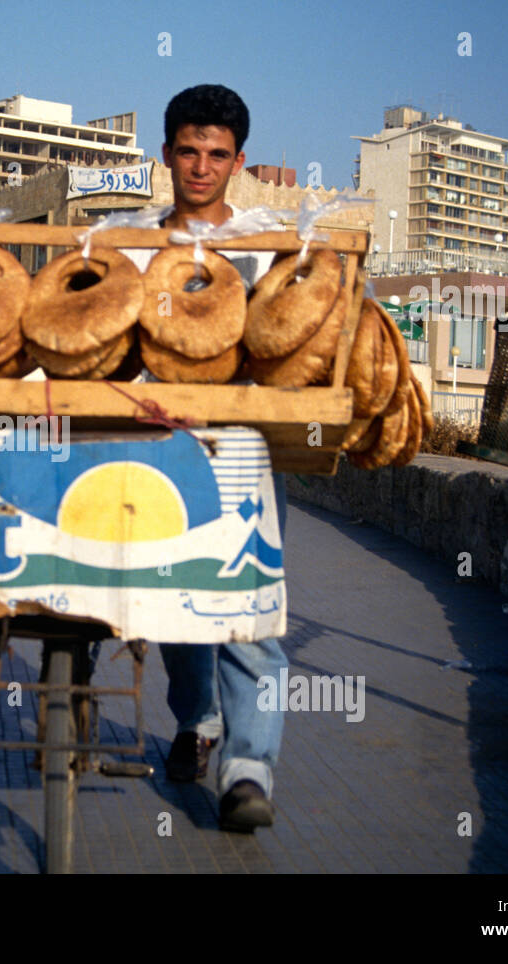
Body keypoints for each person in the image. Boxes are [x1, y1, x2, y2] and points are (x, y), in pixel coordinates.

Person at [123, 84, 289, 833]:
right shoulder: (132, 242)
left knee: (251, 610)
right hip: (162, 444)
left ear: (238, 161)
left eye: (217, 154)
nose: (200, 166)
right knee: (180, 600)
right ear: (166, 154)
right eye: (188, 151)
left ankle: (248, 771)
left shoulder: (266, 245)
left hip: (244, 447)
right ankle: (198, 721)